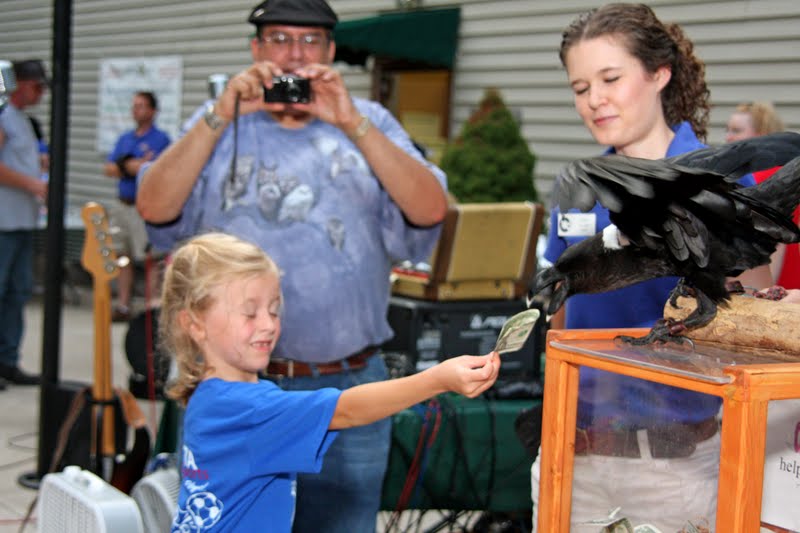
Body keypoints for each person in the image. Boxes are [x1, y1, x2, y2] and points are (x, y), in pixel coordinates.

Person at [136, 0, 448, 530]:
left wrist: (350, 122)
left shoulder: (368, 120)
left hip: (348, 381)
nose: (294, 56)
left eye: (309, 41)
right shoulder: (219, 120)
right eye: (279, 39)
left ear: (330, 51)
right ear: (256, 50)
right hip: (239, 389)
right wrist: (220, 114)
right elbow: (154, 206)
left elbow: (431, 208)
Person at [530, 4, 772, 531]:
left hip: (673, 471)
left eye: (610, 78)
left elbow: (758, 329)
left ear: (659, 74)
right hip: (572, 458)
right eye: (579, 87)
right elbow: (562, 323)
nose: (595, 100)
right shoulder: (577, 193)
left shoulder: (716, 188)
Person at [162, 232, 500, 533]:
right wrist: (437, 379)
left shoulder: (212, 396)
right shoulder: (246, 410)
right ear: (194, 324)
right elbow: (348, 410)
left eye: (275, 309)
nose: (268, 324)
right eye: (250, 313)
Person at [0, 59, 50, 387]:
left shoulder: (28, 123)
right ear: (17, 83)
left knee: (18, 293)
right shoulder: (3, 117)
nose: (41, 93)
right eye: (36, 86)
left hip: (23, 221)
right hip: (3, 222)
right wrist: (34, 185)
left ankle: (8, 360)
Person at [103, 91, 170, 322]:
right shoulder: (126, 138)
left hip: (144, 207)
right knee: (123, 257)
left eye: (141, 106)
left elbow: (157, 169)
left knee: (151, 258)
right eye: (134, 106)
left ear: (152, 110)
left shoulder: (160, 139)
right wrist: (132, 166)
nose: (136, 110)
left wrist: (129, 166)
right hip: (122, 204)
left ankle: (151, 309)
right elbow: (109, 168)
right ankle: (123, 305)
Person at [725, 101, 798, 289]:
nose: (729, 137)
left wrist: (764, 293)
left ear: (761, 135)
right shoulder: (788, 171)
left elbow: (772, 245)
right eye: (728, 130)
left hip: (774, 286)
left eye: (737, 130)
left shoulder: (758, 179)